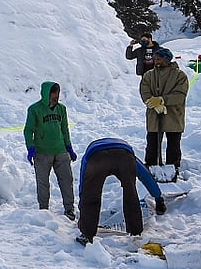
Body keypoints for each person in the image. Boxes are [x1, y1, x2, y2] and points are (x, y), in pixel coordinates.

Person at [75, 138, 167, 246]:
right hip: (123, 156)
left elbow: (84, 182)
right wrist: (158, 198)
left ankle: (86, 235)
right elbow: (145, 176)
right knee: (130, 193)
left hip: (97, 157)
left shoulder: (88, 155)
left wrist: (83, 201)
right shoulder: (130, 155)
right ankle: (136, 233)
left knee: (91, 194)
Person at [23, 81, 77, 220]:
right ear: (46, 94)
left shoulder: (61, 109)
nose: (56, 97)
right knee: (43, 183)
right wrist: (31, 148)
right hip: (42, 153)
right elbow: (28, 130)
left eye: (57, 94)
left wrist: (69, 147)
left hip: (60, 151)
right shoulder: (34, 109)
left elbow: (65, 129)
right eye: (53, 94)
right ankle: (44, 211)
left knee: (67, 180)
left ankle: (69, 209)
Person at [140, 47, 189, 181]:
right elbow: (144, 91)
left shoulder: (180, 76)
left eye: (159, 59)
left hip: (173, 114)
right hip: (154, 115)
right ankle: (151, 166)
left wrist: (163, 100)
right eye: (155, 59)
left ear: (167, 59)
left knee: (173, 143)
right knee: (152, 143)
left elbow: (180, 95)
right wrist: (152, 102)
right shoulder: (149, 75)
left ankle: (173, 167)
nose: (157, 61)